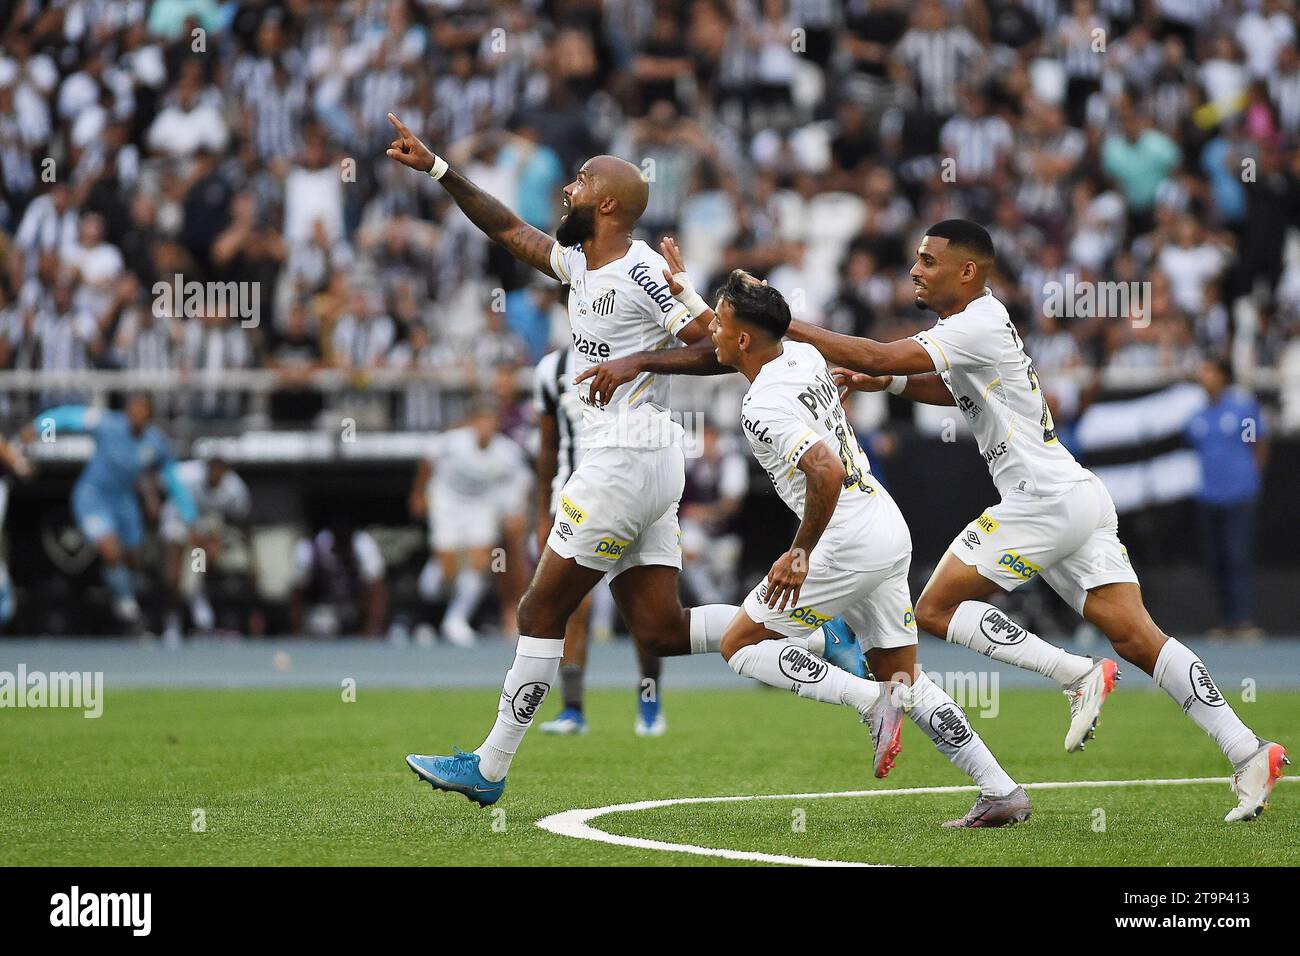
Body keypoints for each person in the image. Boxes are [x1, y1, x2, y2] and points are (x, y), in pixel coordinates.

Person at [789, 219, 1287, 822]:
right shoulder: (977, 326)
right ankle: (1248, 750)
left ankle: (1074, 673)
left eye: (928, 260)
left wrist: (783, 323)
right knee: (1138, 638)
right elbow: (956, 391)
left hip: (1039, 500)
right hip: (1075, 493)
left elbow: (876, 348)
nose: (915, 270)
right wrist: (887, 381)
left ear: (967, 270)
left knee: (933, 611)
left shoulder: (973, 321)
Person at [584, 248, 1032, 827]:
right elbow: (741, 332)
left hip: (843, 536)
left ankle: (869, 702)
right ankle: (1000, 790)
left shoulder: (761, 403)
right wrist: (686, 288)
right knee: (905, 675)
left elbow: (824, 469)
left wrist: (800, 551)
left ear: (743, 341)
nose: (709, 332)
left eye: (719, 324)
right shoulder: (799, 353)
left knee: (740, 647)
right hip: (885, 524)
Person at [532, 347, 666, 737]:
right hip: (575, 494)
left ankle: (649, 704)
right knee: (570, 605)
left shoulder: (635, 352)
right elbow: (548, 444)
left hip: (631, 488)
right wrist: (543, 512)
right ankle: (573, 710)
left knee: (645, 609)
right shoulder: (551, 367)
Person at [22, 394, 196, 632]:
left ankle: (127, 591)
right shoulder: (106, 423)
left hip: (124, 502)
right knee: (111, 551)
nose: (135, 414)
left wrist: (188, 513)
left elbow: (172, 478)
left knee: (133, 558)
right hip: (93, 496)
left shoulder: (155, 443)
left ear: (150, 416)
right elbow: (69, 417)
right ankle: (126, 604)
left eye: (141, 410)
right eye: (132, 408)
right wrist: (40, 428)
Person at [409, 403, 530, 647]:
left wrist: (515, 512)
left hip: (481, 508)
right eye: (481, 422)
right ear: (472, 423)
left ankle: (455, 620)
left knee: (480, 562)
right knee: (447, 568)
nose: (486, 428)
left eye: (491, 422)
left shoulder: (507, 451)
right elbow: (427, 460)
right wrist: (419, 493)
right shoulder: (453, 442)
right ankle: (424, 617)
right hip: (447, 503)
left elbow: (521, 480)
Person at [1185, 358, 1269, 637]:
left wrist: (1251, 477)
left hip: (1239, 494)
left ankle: (1243, 620)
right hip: (1209, 496)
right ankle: (1224, 620)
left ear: (1222, 376)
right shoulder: (1197, 416)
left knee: (1237, 556)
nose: (1203, 376)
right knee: (1216, 559)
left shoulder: (1242, 407)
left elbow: (1259, 442)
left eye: (1208, 370)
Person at [160, 454, 251, 640]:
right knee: (173, 575)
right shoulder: (187, 477)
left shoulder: (235, 489)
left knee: (195, 570)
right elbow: (166, 484)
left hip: (205, 526)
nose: (215, 476)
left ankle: (198, 613)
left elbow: (237, 518)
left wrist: (215, 539)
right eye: (212, 471)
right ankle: (175, 620)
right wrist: (193, 532)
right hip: (177, 520)